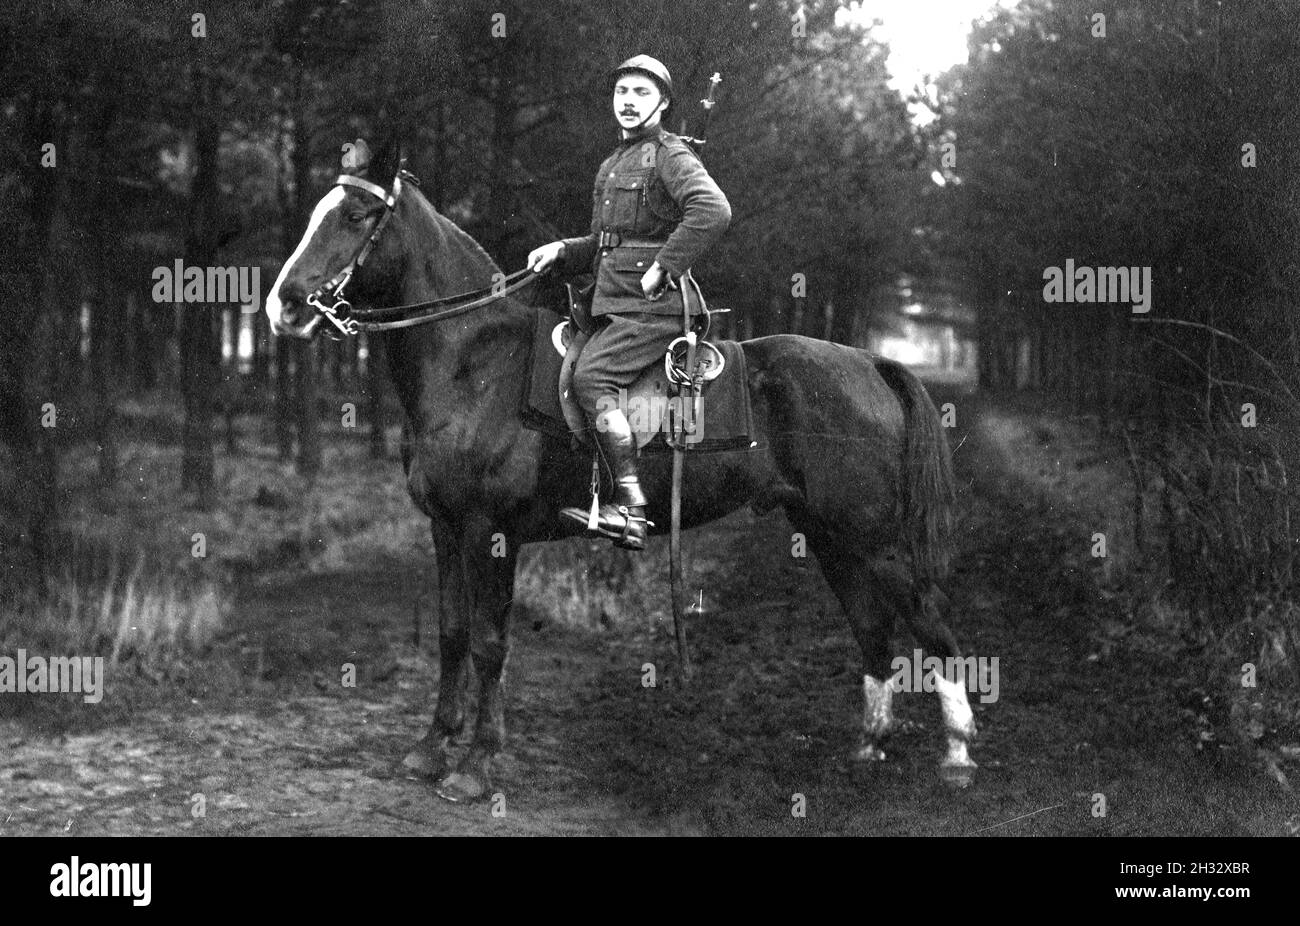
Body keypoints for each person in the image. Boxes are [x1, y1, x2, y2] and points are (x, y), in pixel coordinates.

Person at [528, 54, 731, 551]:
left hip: (654, 308)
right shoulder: (614, 162)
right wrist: (565, 250)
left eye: (641, 93)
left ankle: (631, 511)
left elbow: (713, 209)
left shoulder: (670, 154)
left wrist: (667, 264)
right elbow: (607, 243)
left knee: (590, 377)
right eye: (622, 93)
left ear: (662, 103)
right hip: (612, 303)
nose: (629, 102)